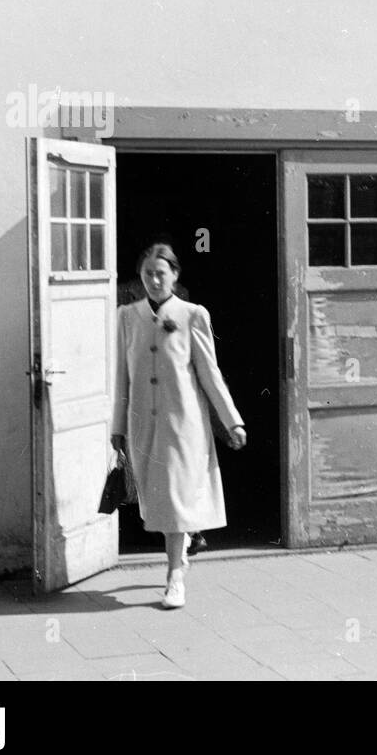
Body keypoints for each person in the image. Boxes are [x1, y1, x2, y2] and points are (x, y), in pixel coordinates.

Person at [110, 243, 247, 609]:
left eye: (161, 274)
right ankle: (182, 549)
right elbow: (121, 377)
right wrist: (117, 426)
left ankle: (174, 576)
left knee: (173, 497)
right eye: (147, 274)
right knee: (158, 501)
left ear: (174, 275)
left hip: (183, 423)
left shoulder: (192, 315)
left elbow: (209, 373)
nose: (154, 280)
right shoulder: (127, 316)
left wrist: (232, 420)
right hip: (143, 423)